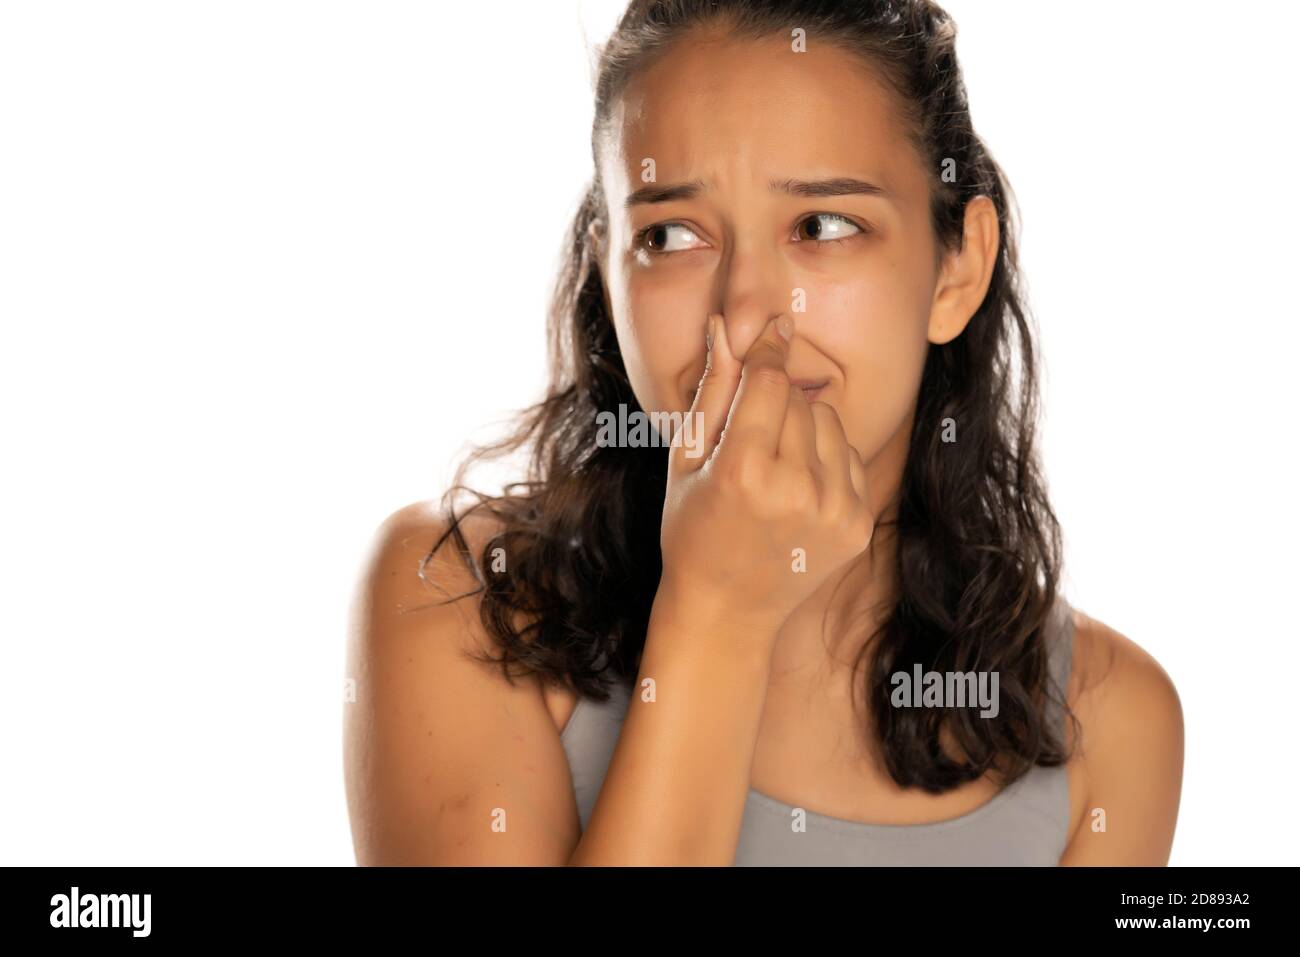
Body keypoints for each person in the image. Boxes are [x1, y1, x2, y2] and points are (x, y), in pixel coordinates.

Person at [343, 0, 1183, 866]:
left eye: (823, 227)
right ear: (608, 271)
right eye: (671, 236)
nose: (746, 314)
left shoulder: (1111, 722)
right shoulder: (460, 598)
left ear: (956, 269)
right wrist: (715, 617)